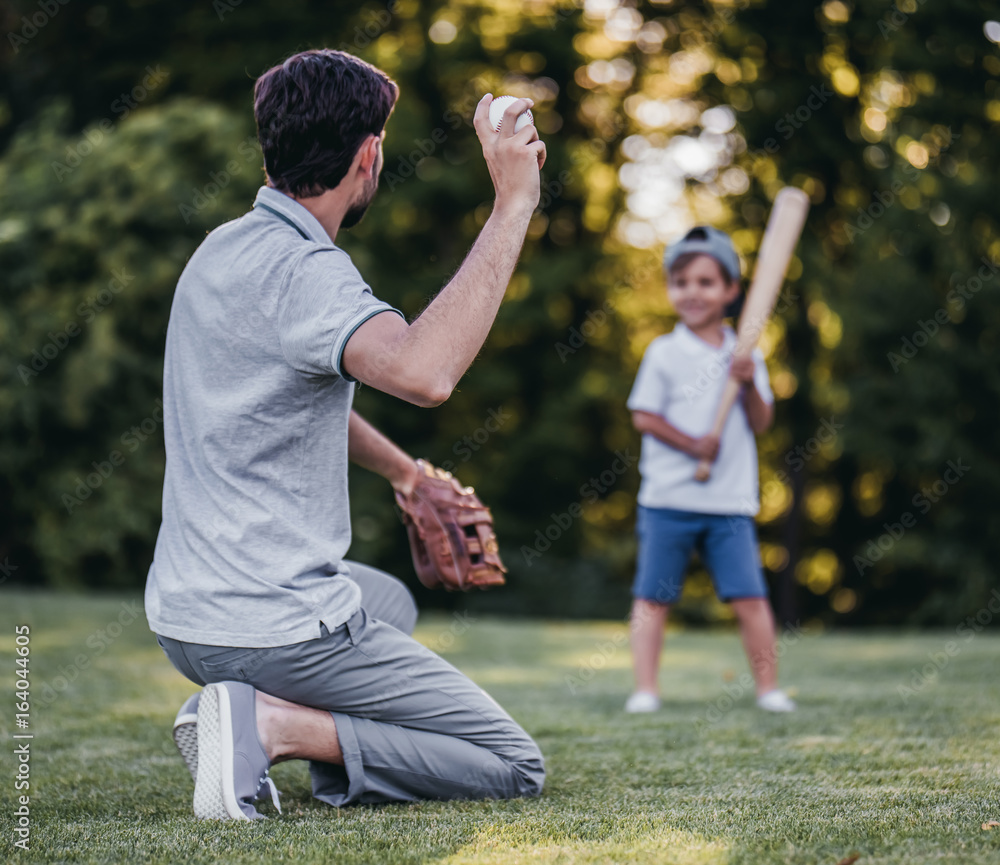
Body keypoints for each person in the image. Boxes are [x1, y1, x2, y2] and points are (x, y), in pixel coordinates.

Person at [144, 48, 547, 820]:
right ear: (369, 155)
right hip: (268, 627)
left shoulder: (220, 253)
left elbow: (282, 397)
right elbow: (426, 373)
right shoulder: (309, 273)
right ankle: (271, 724)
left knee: (386, 599)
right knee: (511, 762)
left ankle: (230, 714)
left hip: (186, 616)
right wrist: (512, 205)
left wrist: (406, 473)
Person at [623, 226, 796, 715]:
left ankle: (768, 689)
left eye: (705, 282)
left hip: (728, 502)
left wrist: (746, 385)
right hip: (667, 500)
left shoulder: (745, 353)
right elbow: (644, 416)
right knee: (653, 598)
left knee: (750, 598)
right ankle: (645, 689)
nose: (691, 292)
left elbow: (761, 423)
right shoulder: (663, 352)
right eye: (680, 282)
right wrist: (693, 443)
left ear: (731, 291)